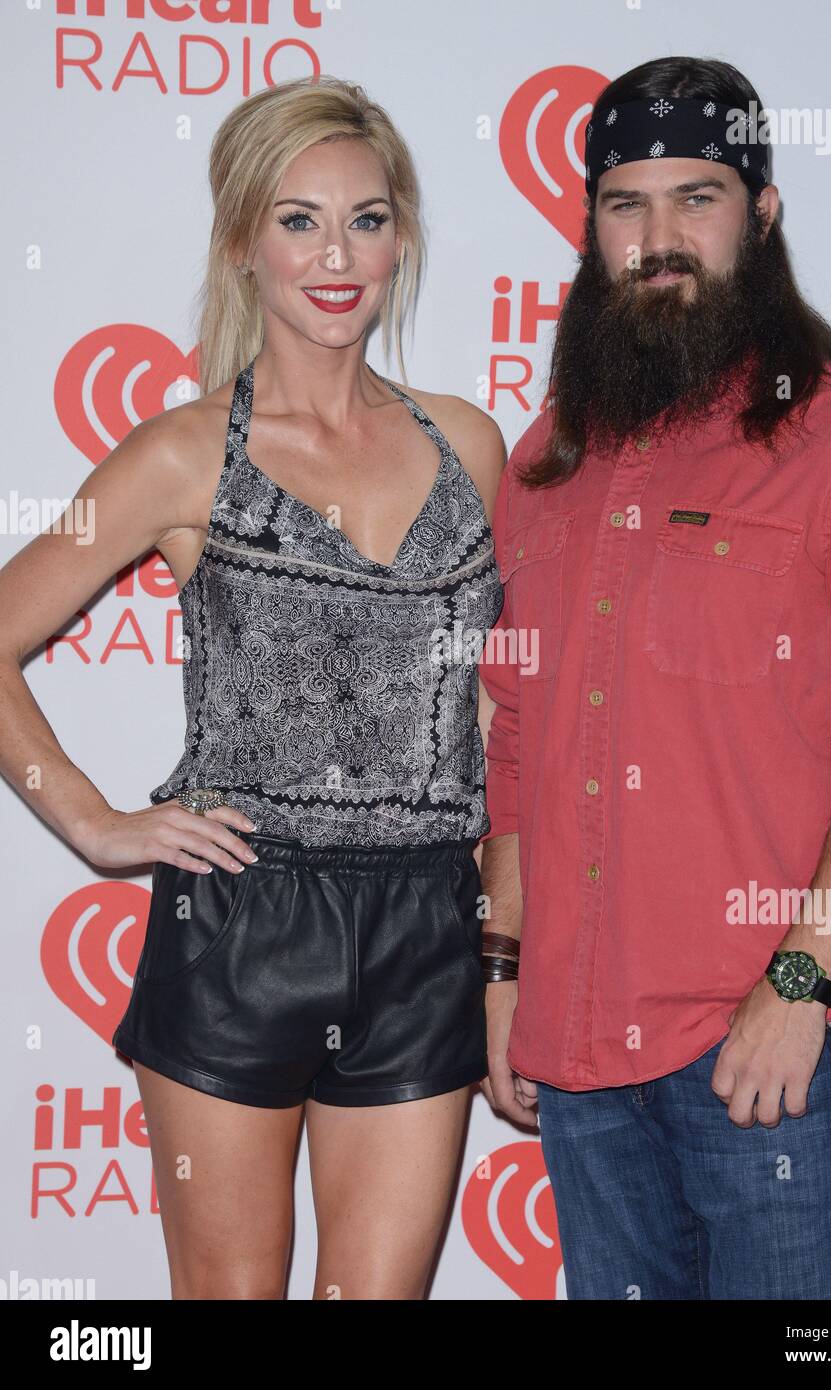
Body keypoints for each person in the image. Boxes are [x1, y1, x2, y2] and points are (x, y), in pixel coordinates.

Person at [0, 75, 506, 1299]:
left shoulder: (470, 445)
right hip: (239, 927)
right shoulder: (184, 452)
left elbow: (501, 711)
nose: (336, 256)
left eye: (366, 220)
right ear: (242, 243)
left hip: (427, 925)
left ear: (401, 240)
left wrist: (503, 940)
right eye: (298, 221)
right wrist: (93, 821)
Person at [477, 55, 831, 1300]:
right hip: (582, 1063)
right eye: (625, 204)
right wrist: (505, 973)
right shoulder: (544, 464)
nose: (659, 238)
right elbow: (515, 744)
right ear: (591, 227)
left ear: (761, 213)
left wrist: (798, 983)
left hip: (774, 1048)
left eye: (696, 198)